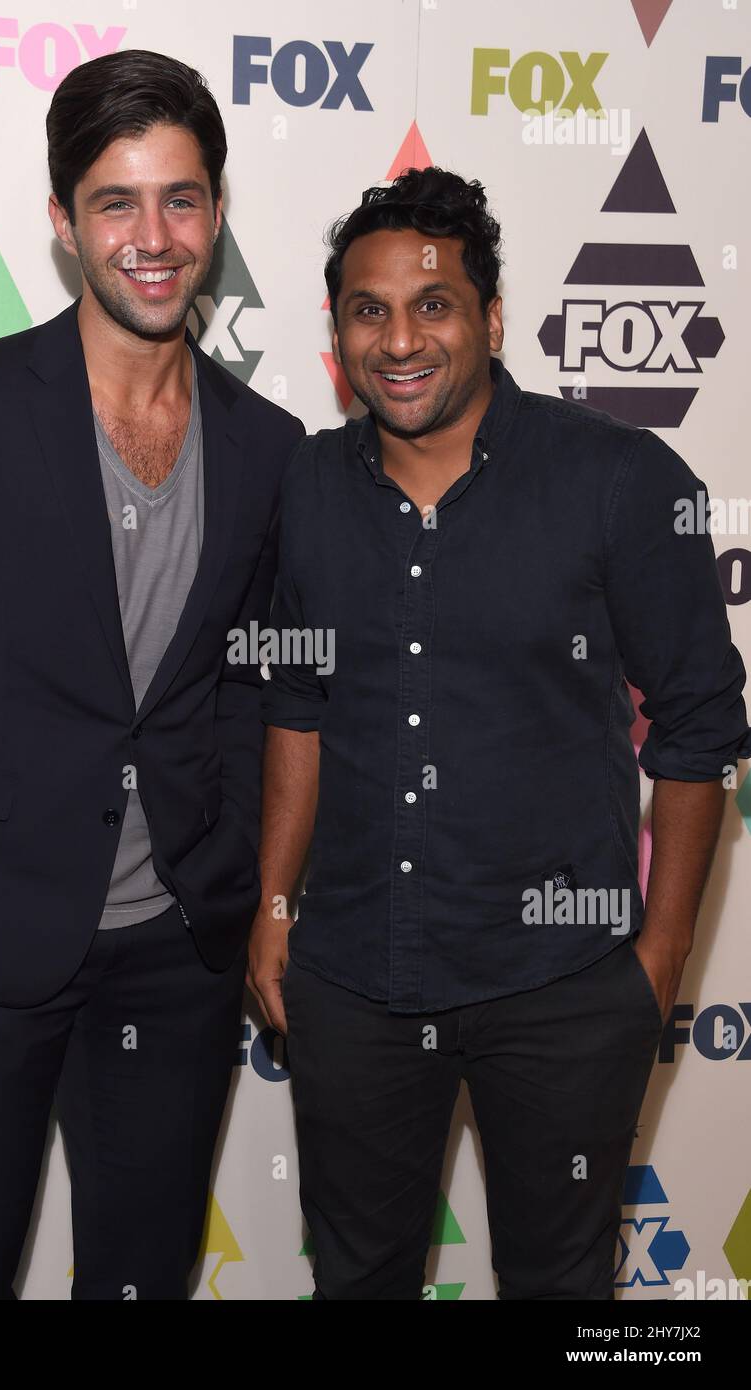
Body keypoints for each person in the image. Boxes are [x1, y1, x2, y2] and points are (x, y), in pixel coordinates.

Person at [0, 48, 304, 1300]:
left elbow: (249, 681)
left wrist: (237, 876)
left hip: (175, 949)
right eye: (116, 202)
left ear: (216, 214)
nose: (153, 236)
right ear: (62, 223)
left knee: (142, 1278)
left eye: (180, 199)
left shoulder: (267, 449)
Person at [249, 165, 750, 1300]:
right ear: (336, 335)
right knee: (358, 1281)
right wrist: (275, 905)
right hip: (356, 981)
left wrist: (659, 958)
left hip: (561, 984)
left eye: (431, 303)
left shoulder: (618, 481)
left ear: (490, 316)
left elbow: (698, 728)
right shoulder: (311, 487)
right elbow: (295, 703)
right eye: (366, 311)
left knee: (560, 1288)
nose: (399, 338)